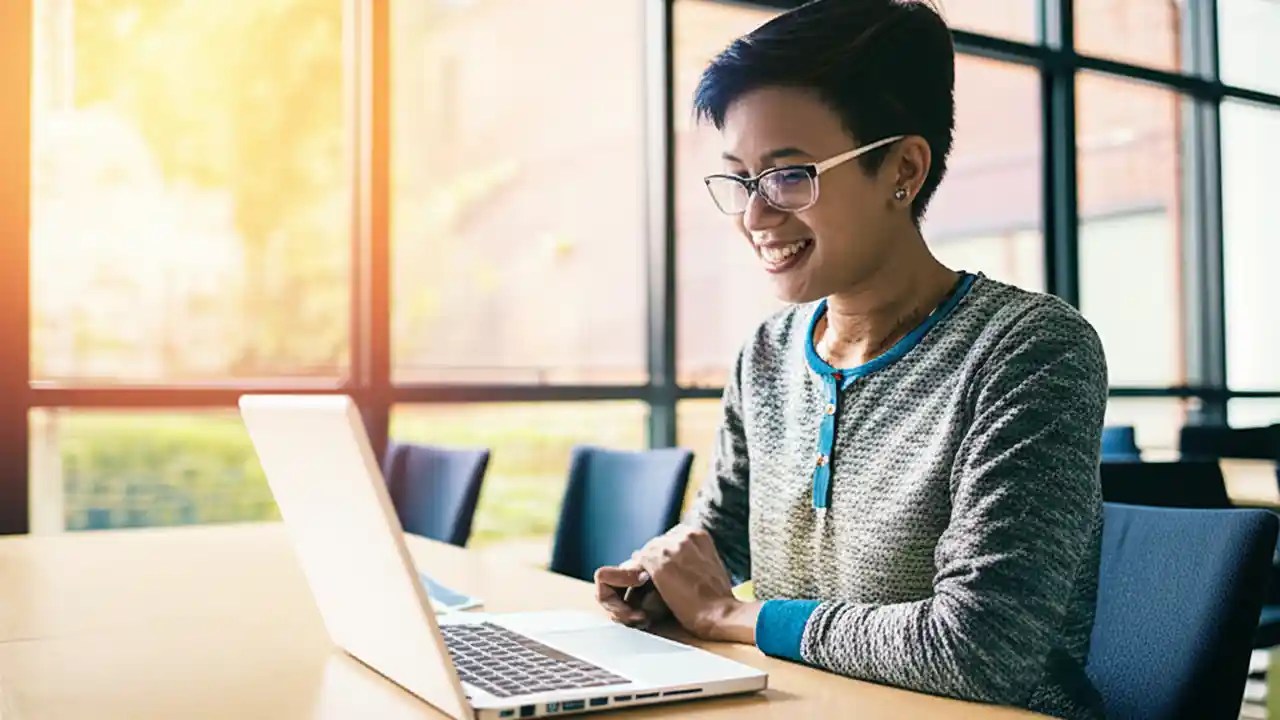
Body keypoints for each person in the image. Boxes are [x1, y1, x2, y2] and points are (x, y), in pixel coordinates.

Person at [593, 1, 1109, 719]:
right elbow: (728, 531)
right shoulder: (769, 354)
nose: (755, 216)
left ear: (903, 168)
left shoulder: (1029, 349)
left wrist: (729, 617)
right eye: (741, 179)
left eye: (788, 176)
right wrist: (663, 575)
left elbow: (981, 647)